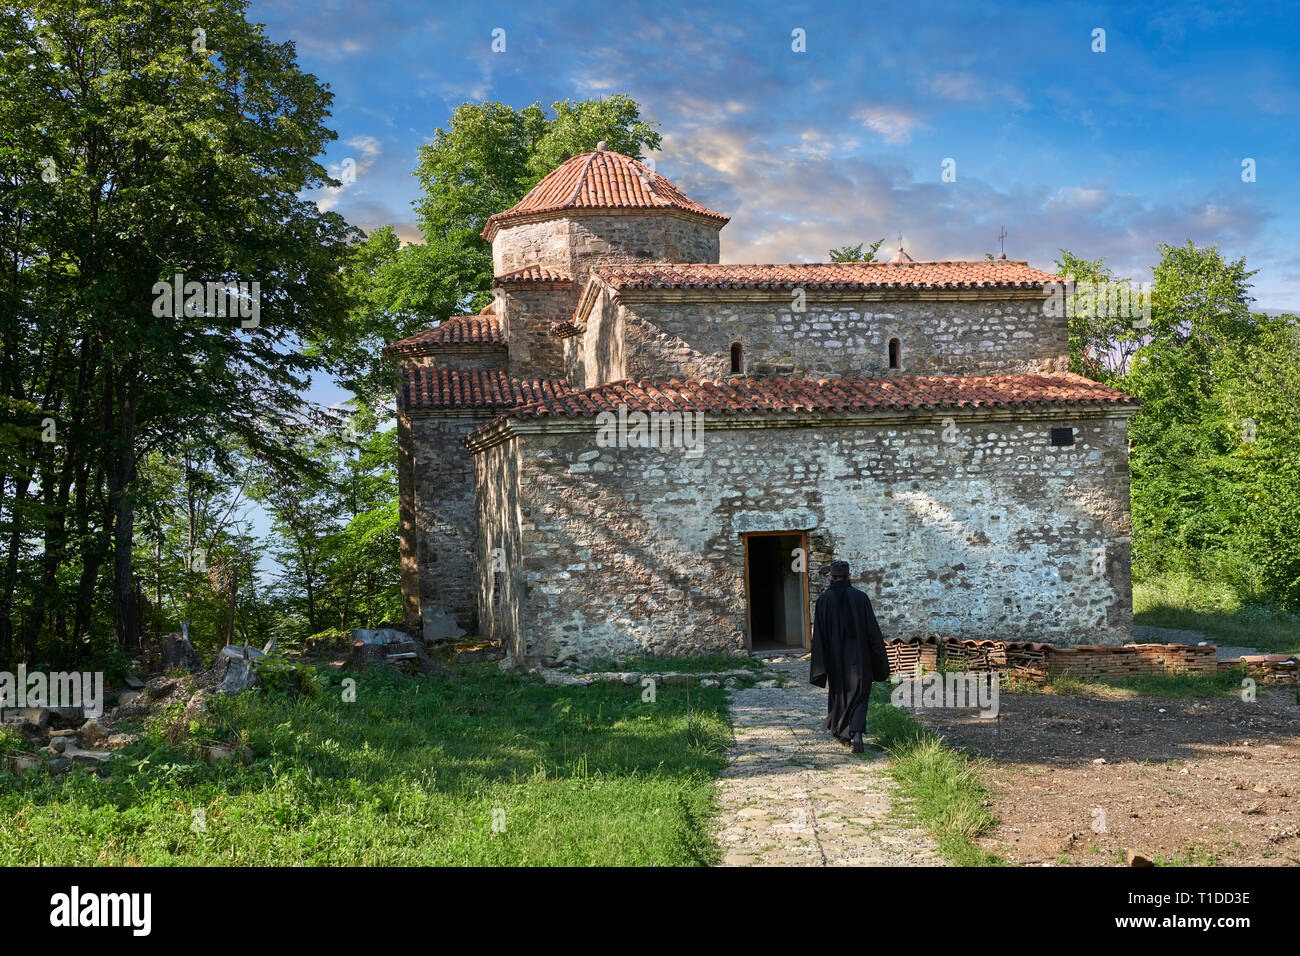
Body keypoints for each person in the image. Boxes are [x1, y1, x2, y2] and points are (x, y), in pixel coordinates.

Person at [809, 560, 891, 753]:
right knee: (860, 696)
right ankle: (858, 733)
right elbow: (873, 631)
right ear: (849, 576)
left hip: (835, 660)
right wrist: (879, 658)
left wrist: (820, 665)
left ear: (831, 578)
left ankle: (843, 735)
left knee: (840, 695)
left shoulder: (823, 601)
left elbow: (819, 636)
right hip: (861, 659)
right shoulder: (861, 598)